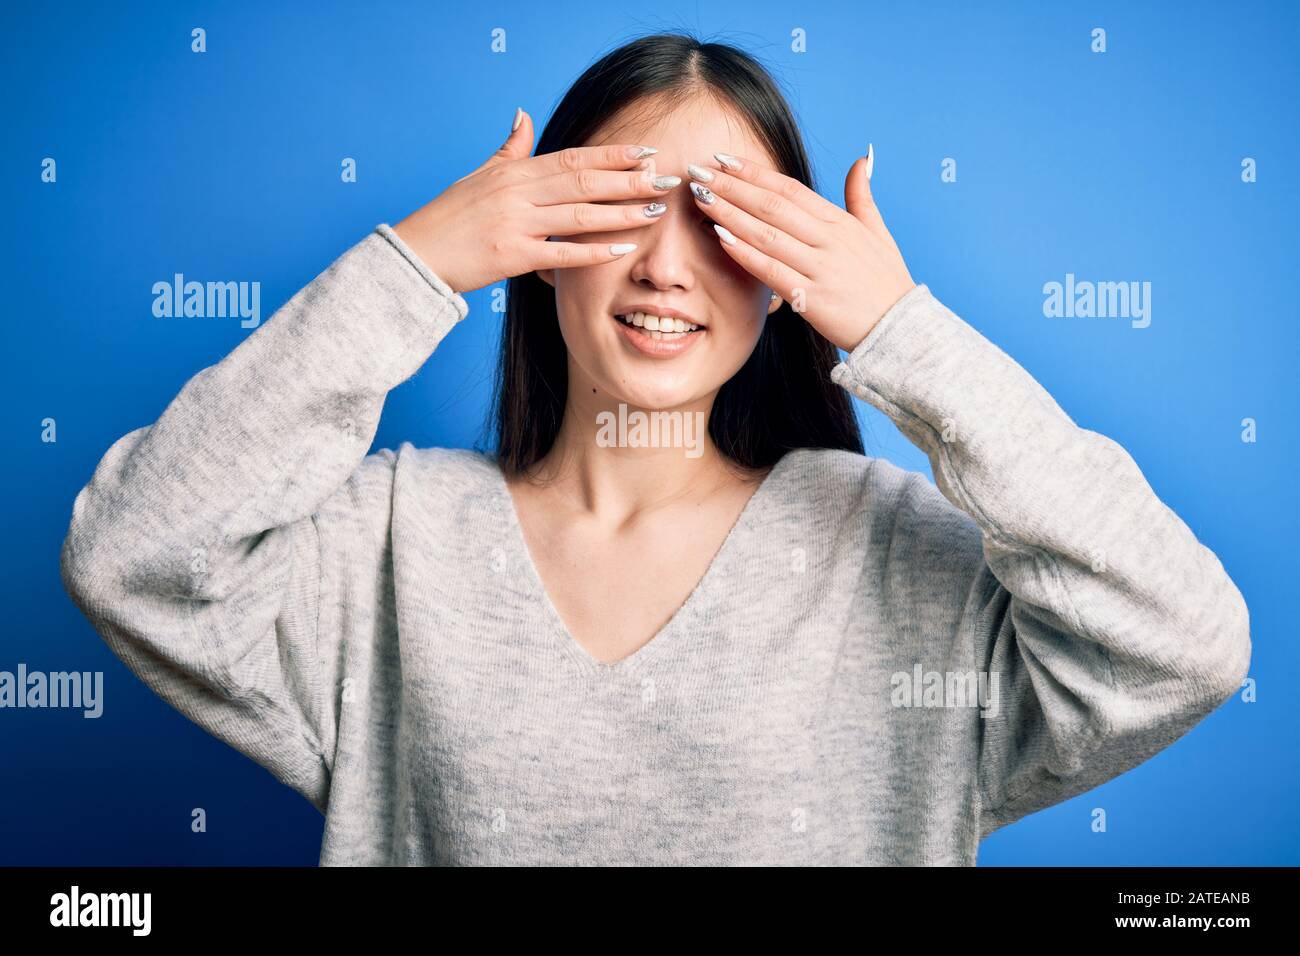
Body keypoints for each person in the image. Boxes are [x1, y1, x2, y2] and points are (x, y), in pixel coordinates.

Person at [59, 33, 1251, 865]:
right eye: (624, 205)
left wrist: (904, 330)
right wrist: (412, 263)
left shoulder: (884, 552)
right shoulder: (389, 543)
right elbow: (135, 552)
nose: (667, 266)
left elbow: (1182, 642)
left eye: (727, 217)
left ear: (790, 275)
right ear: (536, 235)